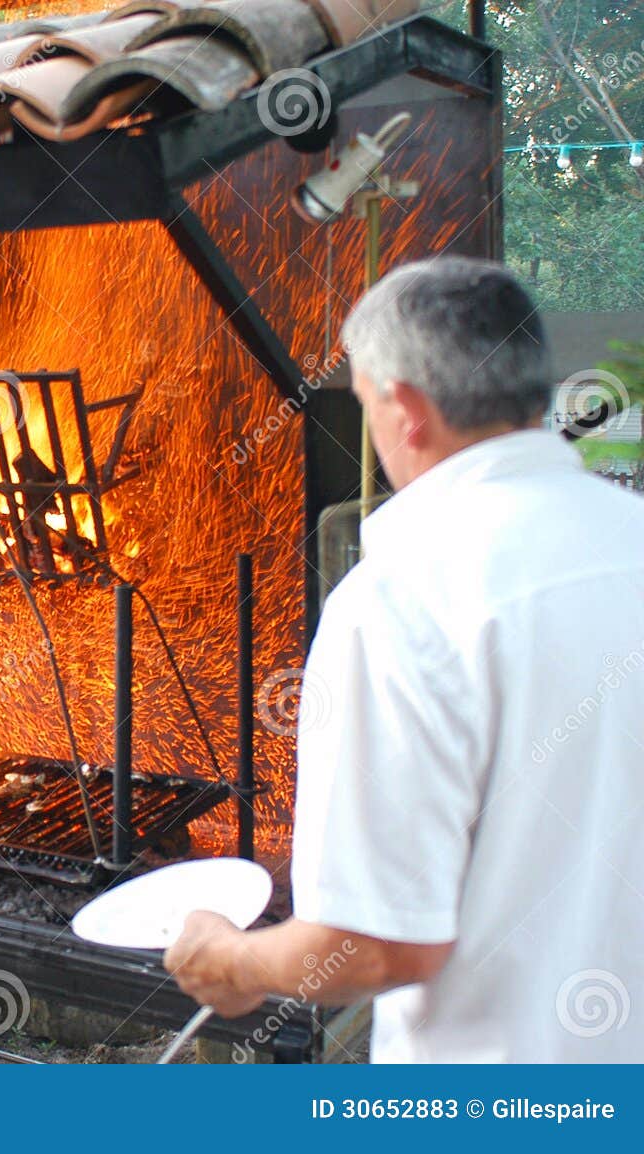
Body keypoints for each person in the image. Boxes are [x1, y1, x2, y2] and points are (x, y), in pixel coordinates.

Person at [164, 257, 644, 1061]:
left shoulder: (402, 601)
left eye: (365, 405)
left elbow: (377, 946)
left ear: (409, 411)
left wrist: (236, 961)